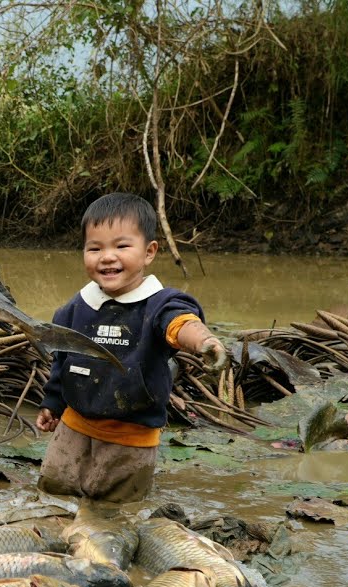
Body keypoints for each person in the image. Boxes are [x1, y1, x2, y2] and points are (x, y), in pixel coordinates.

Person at [35, 193, 229, 502]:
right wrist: (52, 403)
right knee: (54, 497)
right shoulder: (75, 308)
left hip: (131, 441)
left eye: (121, 246)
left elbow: (181, 323)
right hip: (72, 430)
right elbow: (64, 362)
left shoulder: (159, 304)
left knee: (117, 513)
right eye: (94, 248)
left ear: (149, 252)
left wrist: (204, 341)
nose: (107, 257)